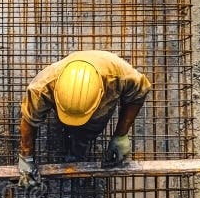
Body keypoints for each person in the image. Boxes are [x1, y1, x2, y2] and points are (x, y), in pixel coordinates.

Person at [18, 50, 152, 187]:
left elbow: (138, 93)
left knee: (87, 132)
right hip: (61, 101)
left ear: (101, 94)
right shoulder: (42, 86)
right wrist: (26, 158)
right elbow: (29, 118)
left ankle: (80, 146)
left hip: (99, 113)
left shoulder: (121, 76)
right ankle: (73, 146)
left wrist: (121, 135)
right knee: (68, 131)